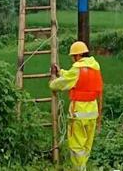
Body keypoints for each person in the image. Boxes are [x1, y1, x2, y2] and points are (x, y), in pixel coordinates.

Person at [49, 41, 103, 171]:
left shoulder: (77, 69)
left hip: (78, 114)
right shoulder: (95, 66)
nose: (73, 59)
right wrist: (61, 72)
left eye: (73, 56)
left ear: (78, 55)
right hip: (92, 113)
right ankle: (83, 167)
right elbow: (74, 77)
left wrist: (52, 83)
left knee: (76, 147)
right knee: (86, 147)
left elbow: (61, 84)